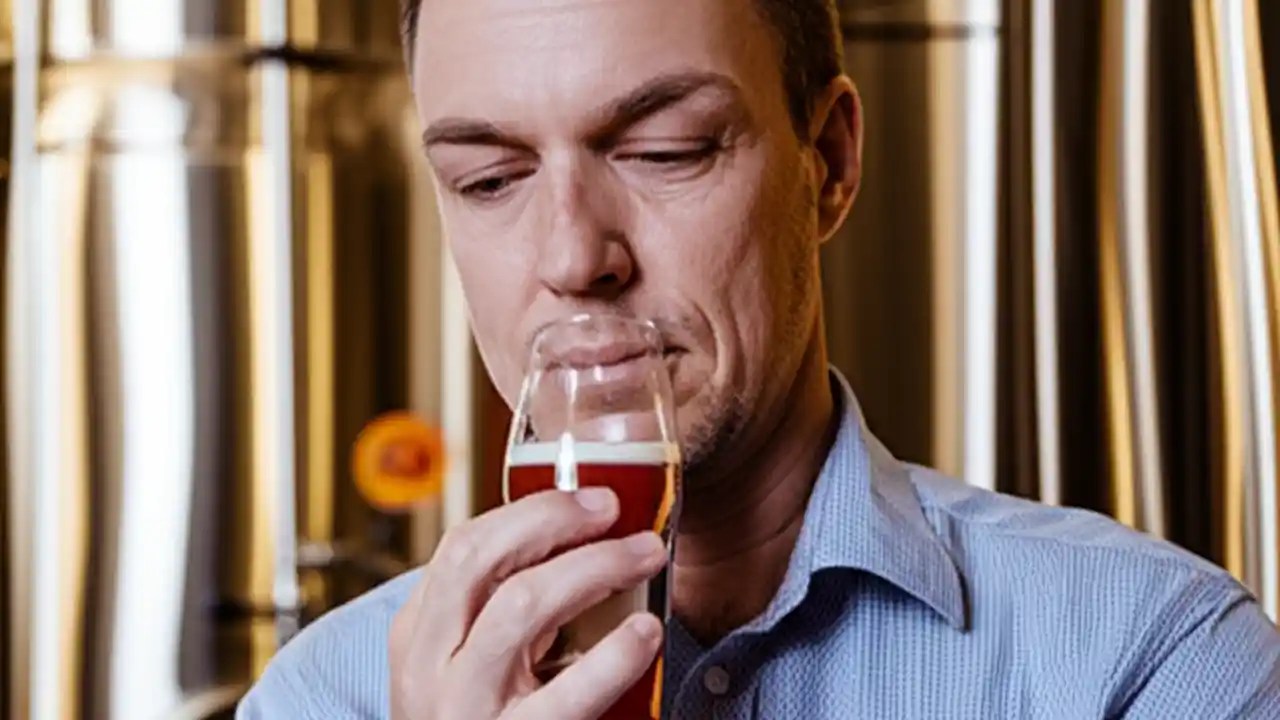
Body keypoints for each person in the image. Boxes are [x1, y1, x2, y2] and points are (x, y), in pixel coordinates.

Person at [238, 0, 1280, 717]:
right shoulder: (323, 697)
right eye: (488, 179)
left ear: (824, 165)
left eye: (664, 152)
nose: (571, 258)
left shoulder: (1151, 662)